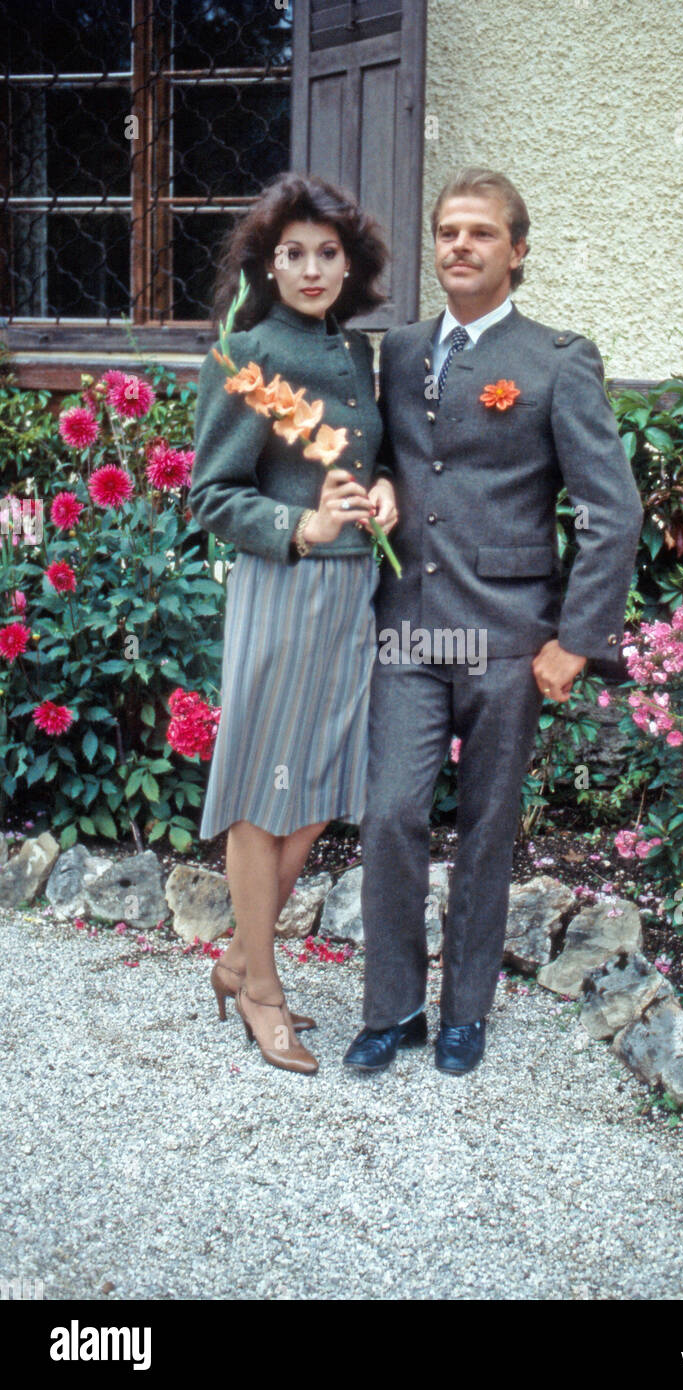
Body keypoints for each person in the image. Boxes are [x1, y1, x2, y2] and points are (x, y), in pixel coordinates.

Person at [344, 167, 644, 1076]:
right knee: (391, 814)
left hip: (509, 636)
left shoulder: (557, 360)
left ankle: (465, 1011)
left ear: (517, 252)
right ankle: (392, 1008)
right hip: (410, 631)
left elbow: (612, 510)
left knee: (486, 826)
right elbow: (388, 458)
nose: (459, 247)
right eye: (446, 232)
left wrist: (575, 641)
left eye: (480, 233)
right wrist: (385, 486)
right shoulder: (395, 352)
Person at [188, 172, 397, 1075]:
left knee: (316, 781)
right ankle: (263, 987)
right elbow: (212, 495)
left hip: (354, 594)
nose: (312, 269)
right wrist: (299, 526)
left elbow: (368, 459)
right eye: (293, 254)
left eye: (328, 253)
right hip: (283, 588)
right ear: (267, 265)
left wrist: (385, 493)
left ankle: (240, 955)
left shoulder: (356, 355)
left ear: (349, 266)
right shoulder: (246, 354)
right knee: (260, 789)